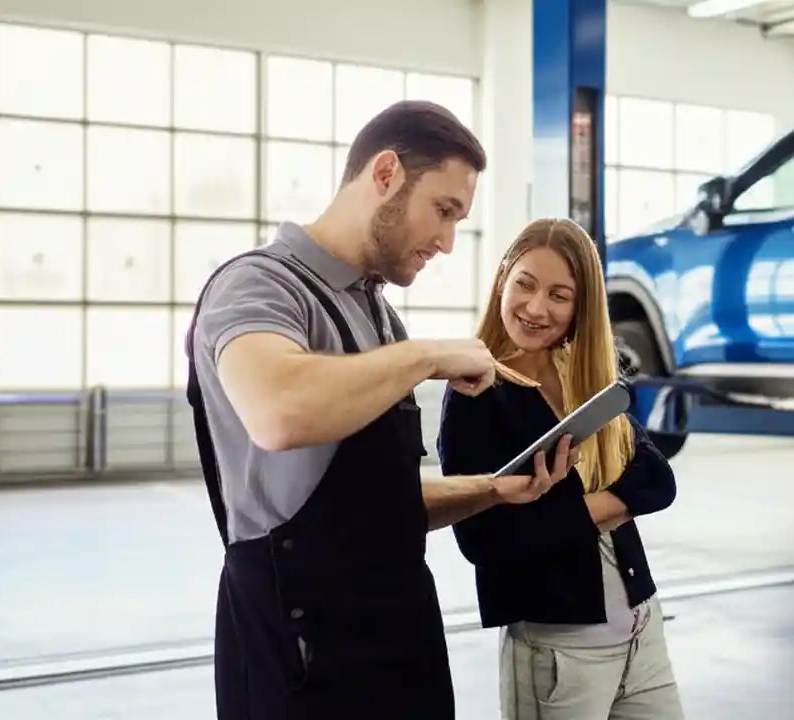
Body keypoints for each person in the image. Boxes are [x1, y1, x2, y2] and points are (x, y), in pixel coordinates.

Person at [184, 100, 575, 720]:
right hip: (304, 659)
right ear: (386, 173)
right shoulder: (258, 285)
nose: (447, 242)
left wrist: (496, 490)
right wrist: (427, 357)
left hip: (398, 644)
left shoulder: (378, 313)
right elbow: (279, 410)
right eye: (443, 212)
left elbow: (377, 505)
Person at [437, 218, 684, 720]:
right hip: (559, 653)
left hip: (642, 631)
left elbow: (658, 482)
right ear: (503, 278)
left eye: (559, 295)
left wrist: (556, 515)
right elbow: (485, 542)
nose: (535, 308)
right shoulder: (476, 393)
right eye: (525, 284)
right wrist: (605, 506)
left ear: (580, 308)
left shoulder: (586, 375)